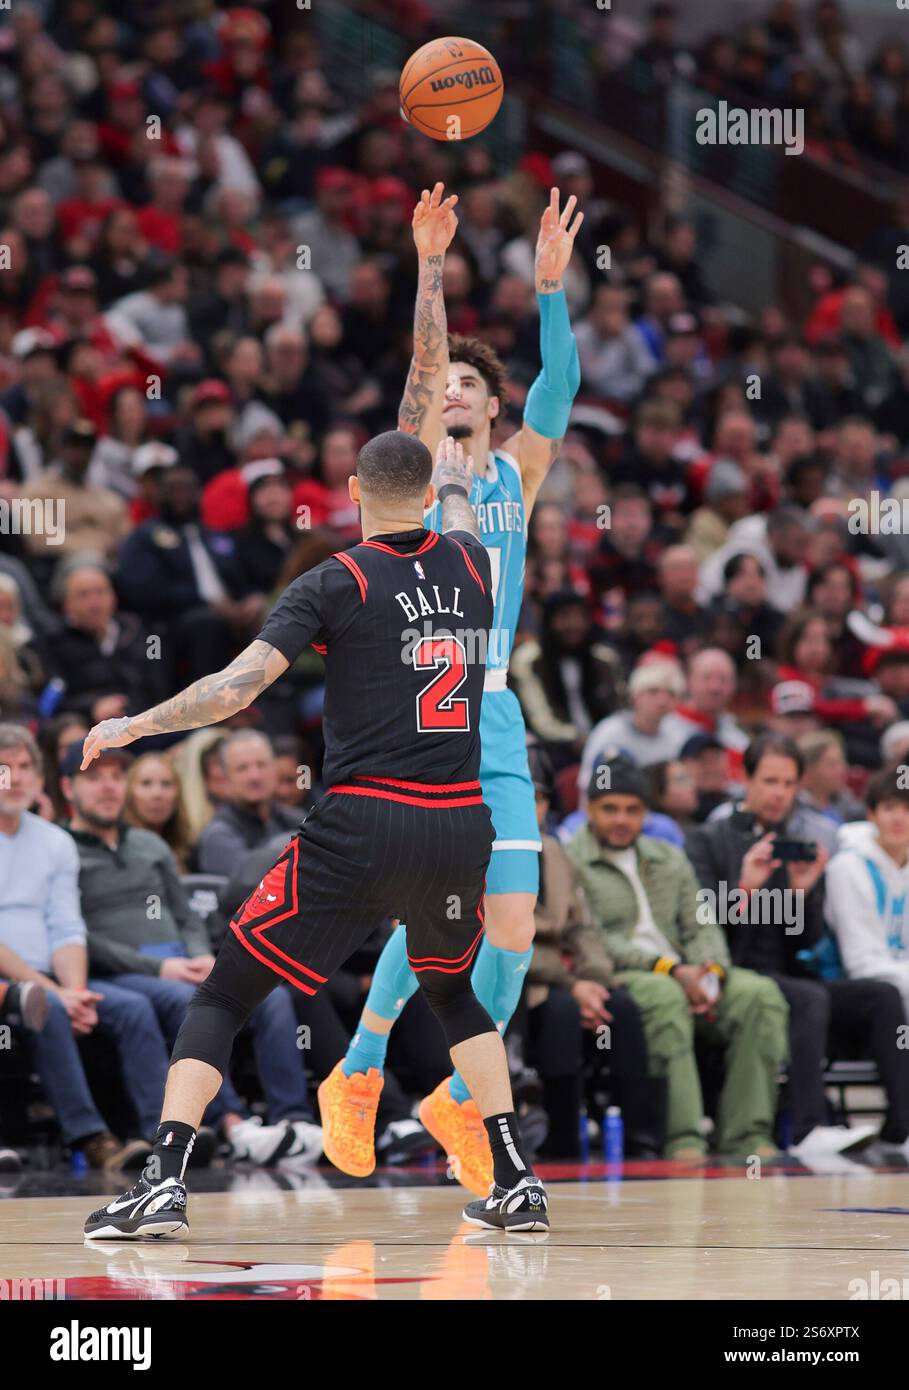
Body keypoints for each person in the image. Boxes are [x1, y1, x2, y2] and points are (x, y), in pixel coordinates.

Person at [82, 429, 548, 1239]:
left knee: (224, 992)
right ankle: (514, 1180)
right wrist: (456, 471)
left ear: (351, 491)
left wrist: (134, 725)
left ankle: (161, 1180)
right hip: (457, 826)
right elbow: (464, 506)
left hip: (362, 825)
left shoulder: (333, 581)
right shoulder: (475, 562)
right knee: (450, 991)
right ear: (430, 495)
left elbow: (235, 689)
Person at [325, 182, 584, 1198]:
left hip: (496, 710)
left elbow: (558, 386)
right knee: (435, 908)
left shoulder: (519, 472)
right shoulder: (413, 472)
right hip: (419, 709)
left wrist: (551, 289)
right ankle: (359, 1068)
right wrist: (432, 265)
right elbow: (425, 374)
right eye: (457, 386)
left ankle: (455, 1103)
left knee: (513, 927)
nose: (466, 393)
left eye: (482, 383)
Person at [62, 742, 322, 1167]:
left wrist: (202, 955)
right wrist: (160, 966)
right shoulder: (63, 849)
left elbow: (187, 916)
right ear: (67, 787)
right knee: (191, 1002)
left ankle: (293, 1120)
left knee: (269, 994)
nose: (108, 787)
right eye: (94, 778)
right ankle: (232, 1125)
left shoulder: (150, 845)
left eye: (114, 777)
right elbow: (78, 934)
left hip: (183, 962)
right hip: (119, 972)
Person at [685, 734, 898, 1158]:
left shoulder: (793, 846)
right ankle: (808, 1129)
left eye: (788, 783)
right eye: (769, 781)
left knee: (882, 995)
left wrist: (802, 894)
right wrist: (744, 889)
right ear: (743, 779)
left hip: (789, 977)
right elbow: (703, 932)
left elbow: (806, 945)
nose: (779, 793)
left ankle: (901, 1130)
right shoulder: (707, 841)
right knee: (810, 997)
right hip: (735, 976)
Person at [566, 756, 787, 1159]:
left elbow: (701, 923)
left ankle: (746, 1137)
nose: (621, 819)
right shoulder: (572, 860)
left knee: (761, 995)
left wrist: (711, 974)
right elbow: (596, 940)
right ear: (588, 809)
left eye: (632, 810)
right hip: (624, 975)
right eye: (609, 808)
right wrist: (672, 970)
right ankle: (684, 1140)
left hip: (689, 971)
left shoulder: (668, 855)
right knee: (664, 997)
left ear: (646, 812)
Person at [0, 723, 167, 1171]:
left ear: (40, 779)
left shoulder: (55, 842)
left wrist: (75, 991)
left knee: (130, 1008)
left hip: (54, 978)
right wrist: (56, 994)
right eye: (4, 768)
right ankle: (93, 1139)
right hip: (20, 982)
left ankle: (164, 1138)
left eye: (24, 768)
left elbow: (67, 925)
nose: (14, 779)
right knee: (45, 1005)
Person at [197, 731, 300, 874]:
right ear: (226, 778)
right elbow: (247, 883)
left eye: (261, 764)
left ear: (275, 769)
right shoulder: (218, 835)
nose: (254, 776)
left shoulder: (299, 820)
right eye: (242, 768)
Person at [124, 752, 194, 872]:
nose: (157, 794)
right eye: (146, 783)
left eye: (166, 784)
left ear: (178, 794)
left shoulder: (191, 849)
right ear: (129, 792)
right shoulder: (118, 848)